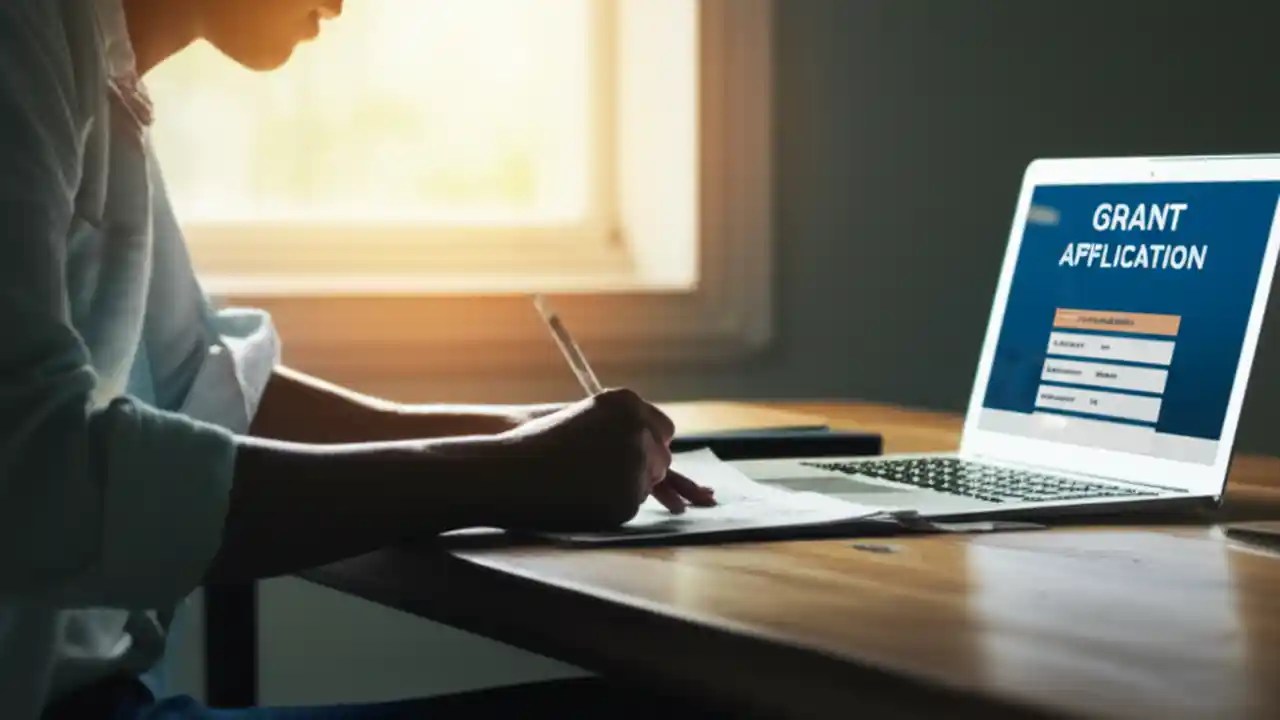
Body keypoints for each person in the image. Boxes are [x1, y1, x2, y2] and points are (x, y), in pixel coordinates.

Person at [0, 1, 719, 718]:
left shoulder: (96, 64)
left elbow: (200, 383)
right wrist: (501, 472)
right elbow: (37, 472)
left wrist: (515, 432)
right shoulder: (21, 40)